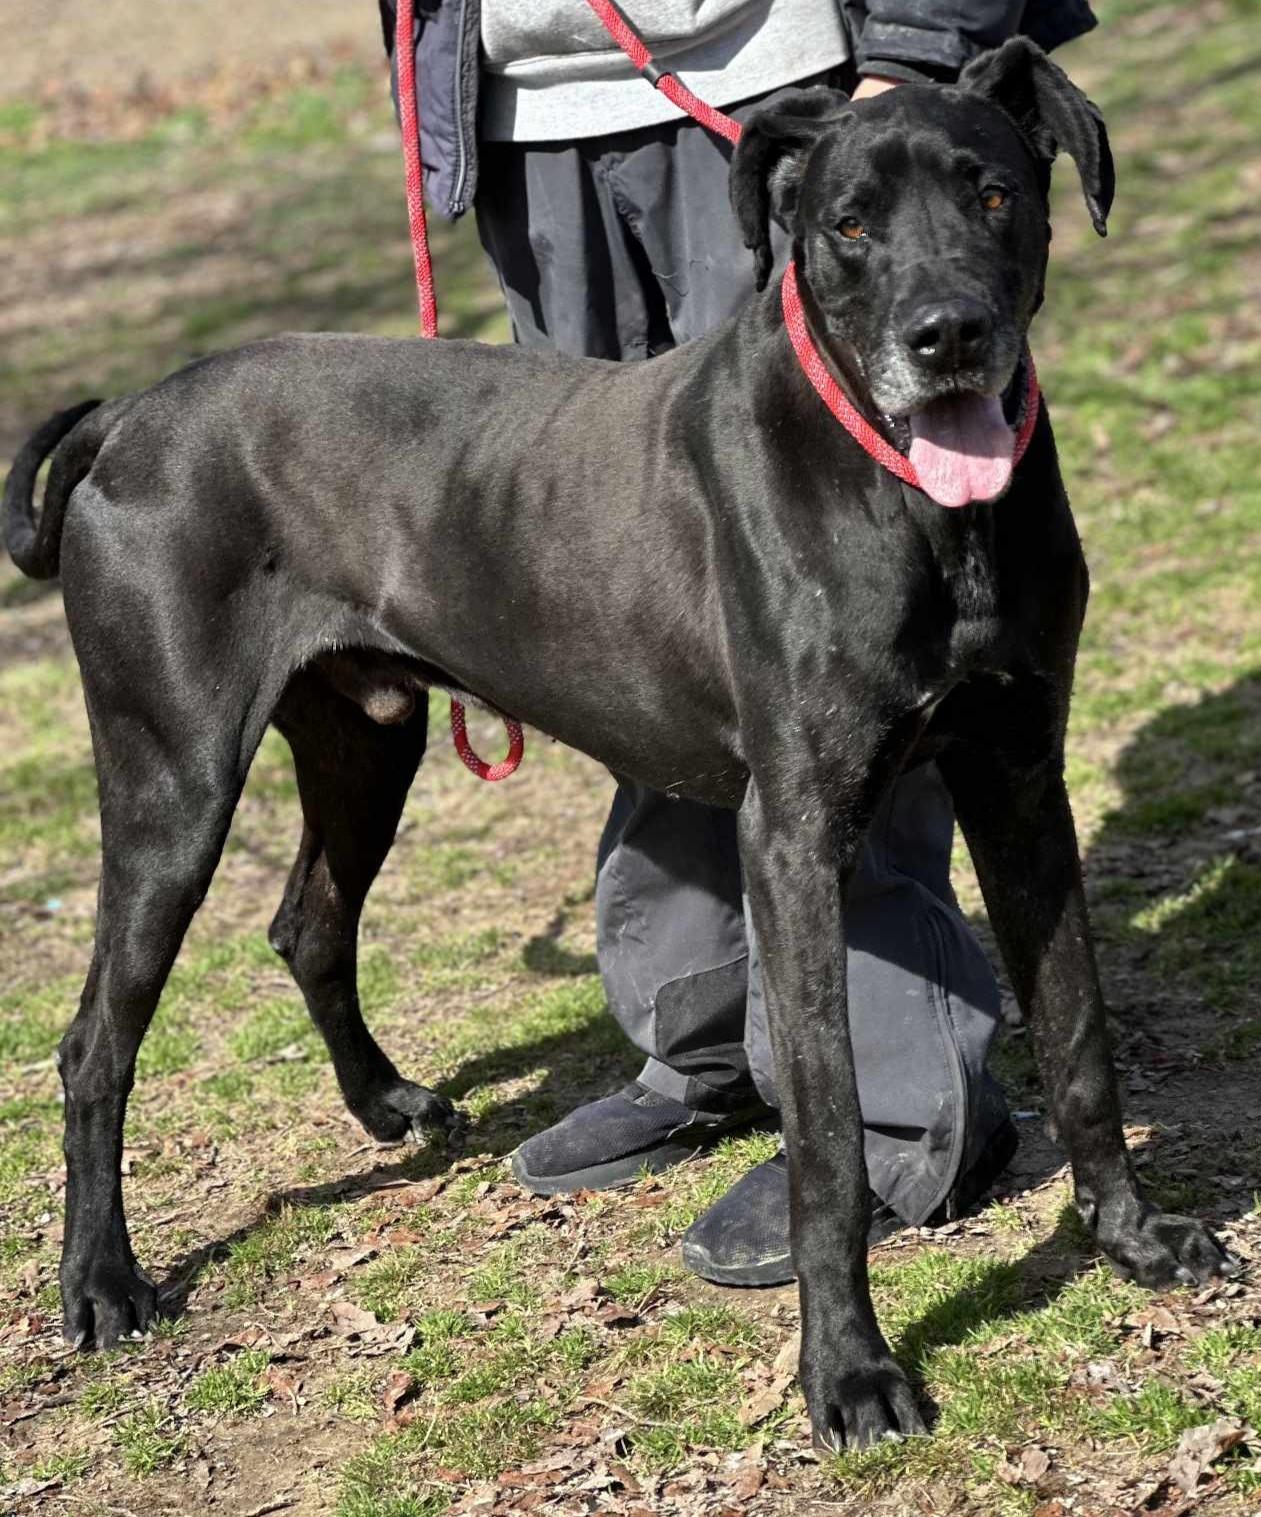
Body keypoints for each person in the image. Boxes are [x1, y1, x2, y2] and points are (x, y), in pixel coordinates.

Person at [380, 0, 1098, 1286]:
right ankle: (703, 1039)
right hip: (535, 118)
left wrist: (917, 58)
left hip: (787, 79)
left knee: (852, 677)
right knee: (626, 626)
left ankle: (893, 1108)